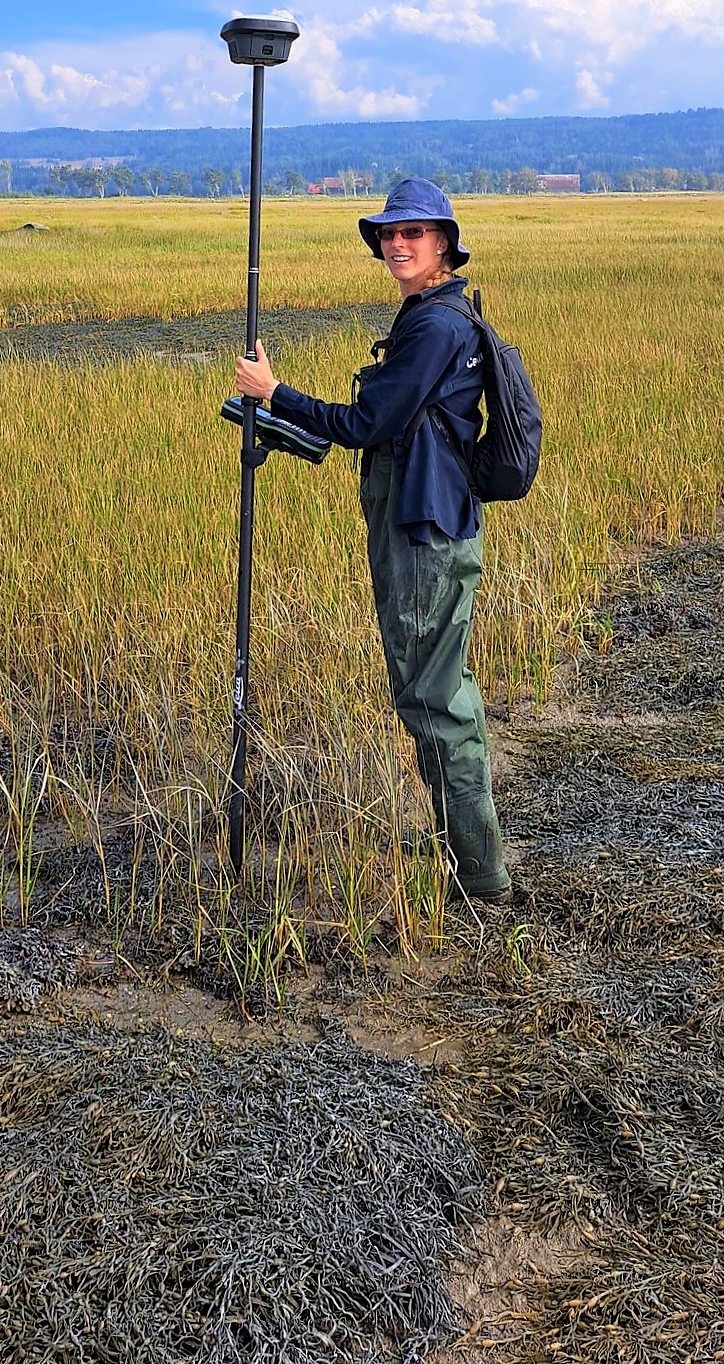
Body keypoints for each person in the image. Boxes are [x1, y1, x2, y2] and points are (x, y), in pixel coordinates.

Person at [234, 177, 512, 904]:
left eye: (412, 233)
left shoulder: (435, 326)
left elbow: (366, 425)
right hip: (433, 520)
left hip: (423, 530)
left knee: (432, 699)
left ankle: (479, 875)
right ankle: (464, 842)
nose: (397, 243)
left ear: (444, 243)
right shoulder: (438, 315)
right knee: (442, 691)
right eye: (389, 234)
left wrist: (275, 395)